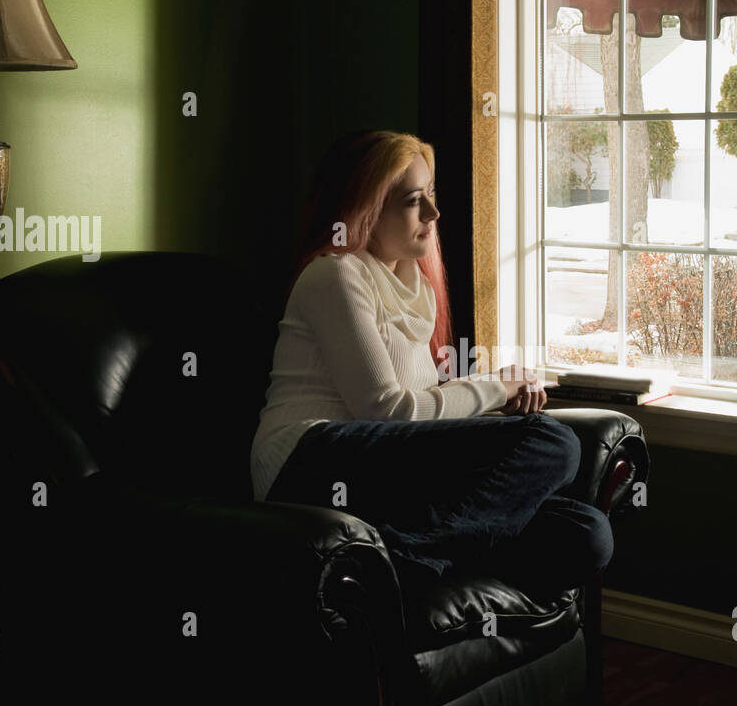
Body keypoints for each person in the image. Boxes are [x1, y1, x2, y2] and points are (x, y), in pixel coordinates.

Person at [250, 129, 613, 598]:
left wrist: (486, 417)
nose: (434, 214)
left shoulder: (415, 292)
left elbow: (414, 420)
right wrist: (496, 387)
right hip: (309, 461)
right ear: (367, 208)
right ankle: (409, 564)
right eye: (412, 201)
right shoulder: (335, 273)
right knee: (552, 442)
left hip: (375, 466)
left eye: (432, 195)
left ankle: (403, 554)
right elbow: (388, 412)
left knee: (585, 532)